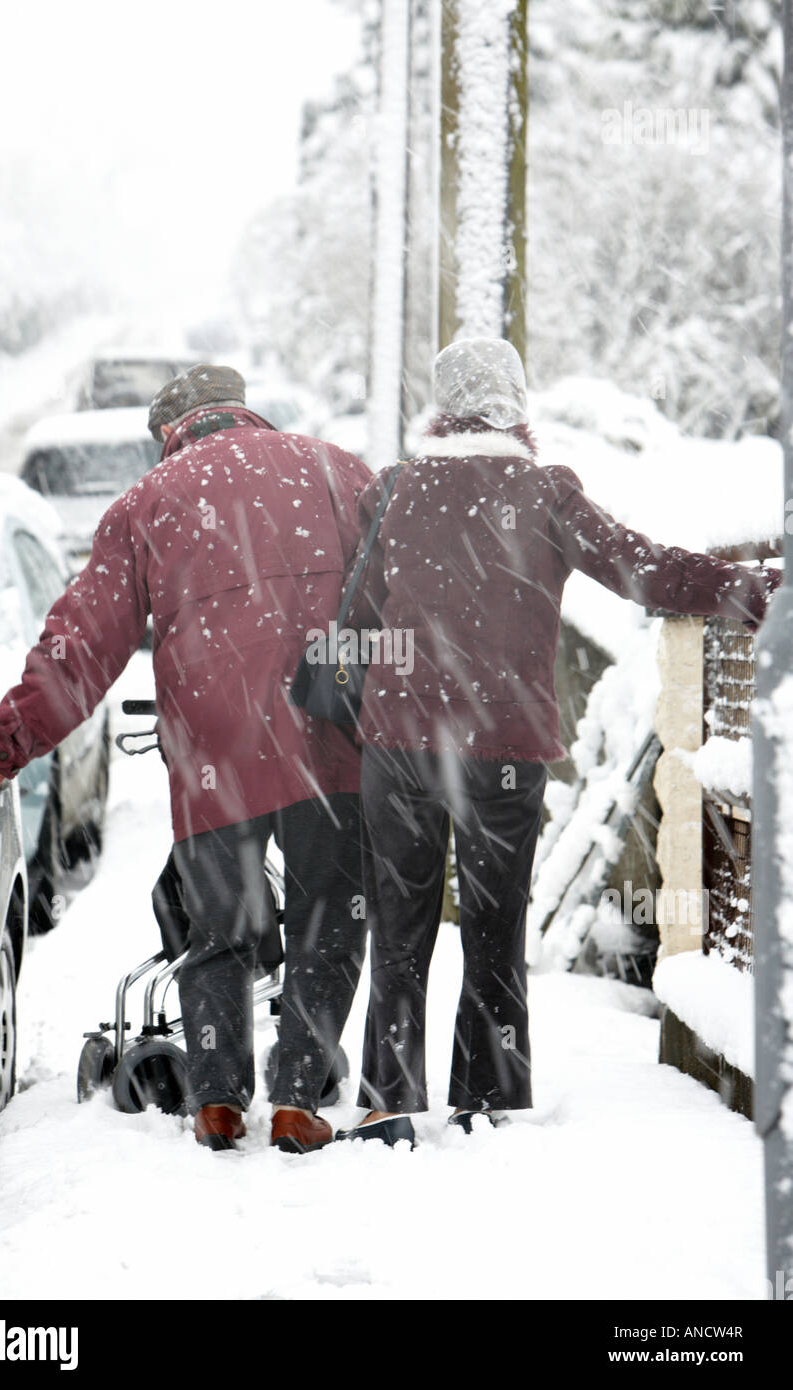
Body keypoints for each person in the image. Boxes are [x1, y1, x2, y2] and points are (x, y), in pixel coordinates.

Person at [338, 337, 782, 1148]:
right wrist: (745, 589)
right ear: (516, 403)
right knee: (495, 928)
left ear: (443, 407)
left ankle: (386, 1101)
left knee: (397, 931)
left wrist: (379, 695)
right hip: (503, 745)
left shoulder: (394, 491)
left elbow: (360, 624)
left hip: (400, 744)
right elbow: (639, 569)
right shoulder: (544, 493)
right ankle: (490, 1096)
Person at [0, 364, 372, 1154]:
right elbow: (398, 591)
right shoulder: (334, 469)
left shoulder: (148, 501)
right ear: (241, 412)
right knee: (328, 920)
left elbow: (80, 644)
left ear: (170, 432)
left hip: (215, 743)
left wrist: (11, 743)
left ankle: (216, 1102)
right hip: (328, 733)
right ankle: (295, 1100)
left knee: (218, 927)